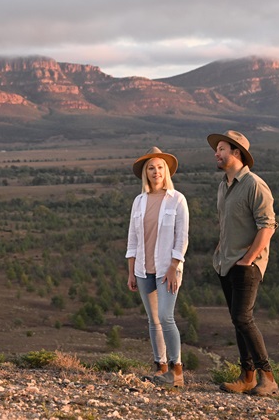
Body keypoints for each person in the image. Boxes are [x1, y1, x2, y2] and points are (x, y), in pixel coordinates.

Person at [208, 130, 279, 396]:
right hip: (225, 262)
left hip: (246, 265)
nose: (216, 153)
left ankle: (268, 378)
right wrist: (220, 249)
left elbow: (268, 226)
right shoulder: (224, 185)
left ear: (236, 153)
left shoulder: (254, 185)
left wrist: (248, 259)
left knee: (243, 317)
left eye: (222, 149)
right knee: (237, 320)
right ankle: (247, 377)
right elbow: (227, 223)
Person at [125, 146, 190, 388]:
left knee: (165, 316)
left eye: (160, 167)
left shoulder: (177, 199)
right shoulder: (139, 201)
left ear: (166, 171)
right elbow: (132, 239)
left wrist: (174, 266)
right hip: (143, 269)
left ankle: (176, 370)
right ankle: (160, 367)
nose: (156, 171)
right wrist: (131, 271)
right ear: (145, 172)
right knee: (153, 320)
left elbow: (182, 238)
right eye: (151, 168)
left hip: (167, 269)